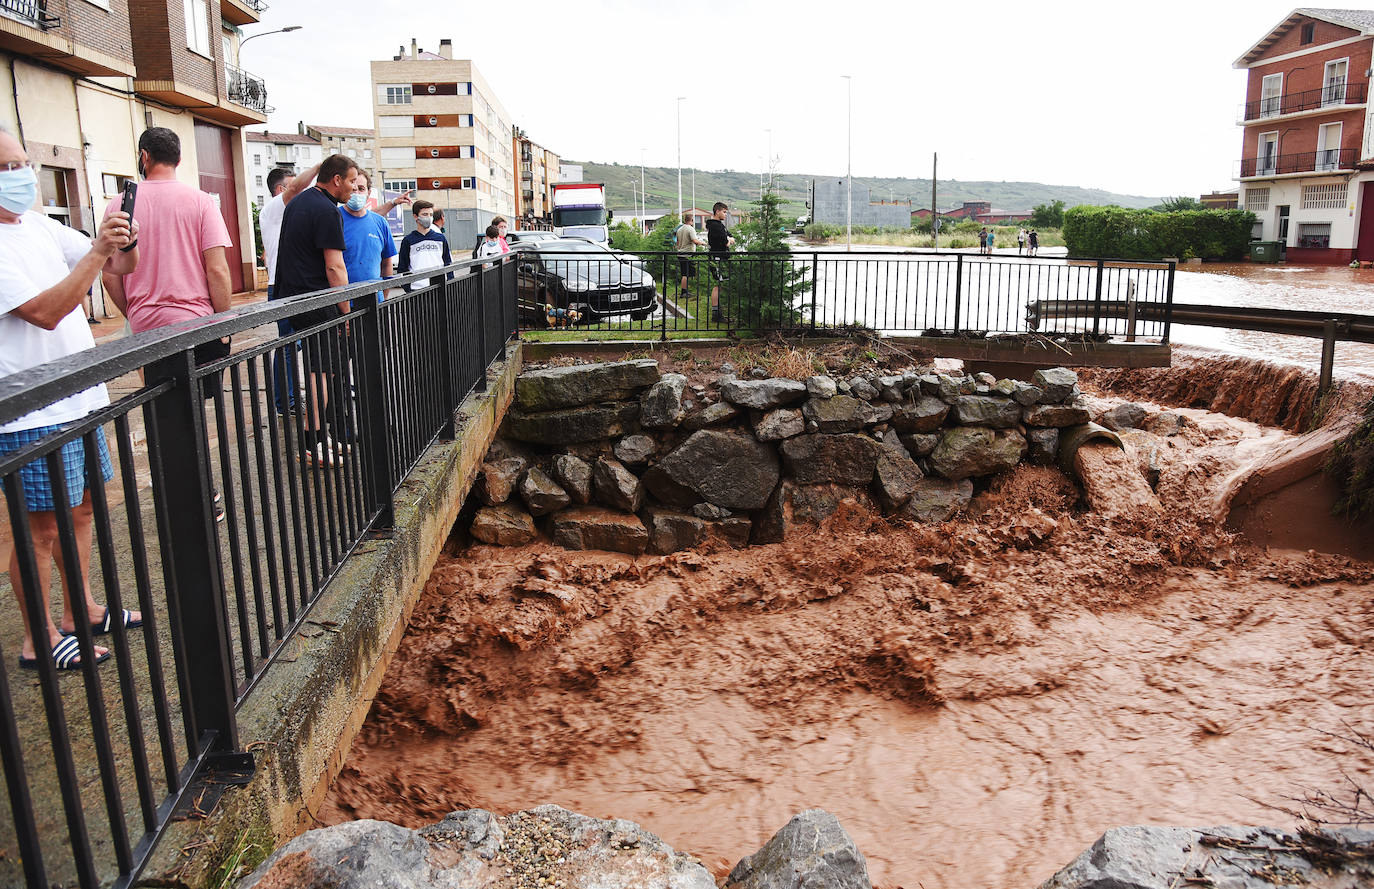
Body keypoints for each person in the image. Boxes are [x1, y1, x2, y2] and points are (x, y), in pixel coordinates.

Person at [0, 125, 141, 670]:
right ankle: (38, 640)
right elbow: (46, 310)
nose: (20, 178)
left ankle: (78, 610)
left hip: (76, 399)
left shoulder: (36, 224)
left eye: (21, 165)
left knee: (81, 510)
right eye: (6, 169)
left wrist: (122, 243)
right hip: (28, 411)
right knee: (39, 529)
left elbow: (113, 267)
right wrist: (99, 251)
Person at [273, 153, 358, 466]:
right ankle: (311, 442)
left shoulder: (300, 201)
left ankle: (322, 436)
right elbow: (335, 266)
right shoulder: (326, 210)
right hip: (316, 299)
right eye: (351, 181)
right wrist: (346, 310)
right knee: (321, 372)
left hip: (295, 296)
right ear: (336, 180)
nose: (353, 189)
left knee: (325, 369)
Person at [260, 161, 320, 416]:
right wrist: (321, 166)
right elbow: (297, 187)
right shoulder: (273, 209)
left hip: (296, 285)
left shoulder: (292, 214)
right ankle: (286, 402)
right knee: (288, 345)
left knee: (297, 344)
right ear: (280, 189)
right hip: (282, 286)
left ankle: (291, 396)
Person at [338, 169, 397, 307]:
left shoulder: (380, 222)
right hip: (344, 303)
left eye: (361, 188)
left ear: (369, 192)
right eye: (352, 189)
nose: (356, 193)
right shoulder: (334, 219)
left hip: (375, 301)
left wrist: (384, 296)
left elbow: (387, 263)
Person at [397, 200, 451, 291]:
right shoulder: (408, 241)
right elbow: (402, 268)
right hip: (417, 289)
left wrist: (449, 281)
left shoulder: (440, 238)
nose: (429, 218)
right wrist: (408, 288)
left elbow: (447, 262)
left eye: (431, 215)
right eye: (425, 214)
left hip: (440, 286)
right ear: (415, 216)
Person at [705, 202, 735, 324]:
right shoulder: (715, 226)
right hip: (717, 258)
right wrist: (728, 240)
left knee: (720, 285)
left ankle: (718, 313)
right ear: (717, 211)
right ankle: (716, 314)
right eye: (724, 212)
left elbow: (730, 237)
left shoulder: (719, 225)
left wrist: (728, 239)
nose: (725, 214)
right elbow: (725, 241)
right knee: (718, 284)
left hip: (720, 258)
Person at [674, 210, 705, 295]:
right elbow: (695, 240)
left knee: (685, 273)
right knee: (686, 274)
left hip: (680, 253)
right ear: (692, 221)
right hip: (688, 254)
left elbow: (677, 243)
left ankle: (685, 290)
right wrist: (703, 243)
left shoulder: (679, 229)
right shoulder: (690, 229)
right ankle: (684, 292)